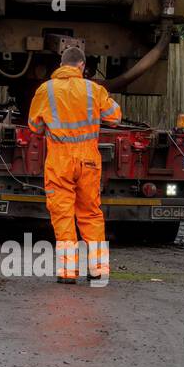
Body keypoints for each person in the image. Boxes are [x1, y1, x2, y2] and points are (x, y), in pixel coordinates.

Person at [28, 45, 121, 283]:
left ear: (60, 65)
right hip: (88, 161)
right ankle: (98, 270)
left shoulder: (45, 90)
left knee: (63, 215)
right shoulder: (95, 90)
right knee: (91, 214)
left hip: (59, 161)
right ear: (82, 66)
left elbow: (35, 126)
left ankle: (68, 272)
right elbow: (115, 117)